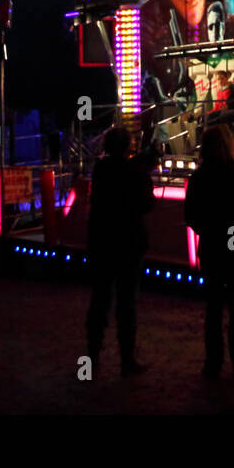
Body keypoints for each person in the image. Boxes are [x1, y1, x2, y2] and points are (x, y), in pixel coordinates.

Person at [85, 127, 156, 376]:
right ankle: (127, 360)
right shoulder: (132, 171)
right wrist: (144, 174)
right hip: (128, 243)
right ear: (127, 145)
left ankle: (92, 357)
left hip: (102, 241)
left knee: (100, 301)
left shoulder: (101, 169)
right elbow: (147, 203)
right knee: (126, 303)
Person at [184, 125, 234, 378]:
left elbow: (191, 217)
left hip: (210, 245)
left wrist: (208, 229)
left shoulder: (199, 177)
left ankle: (213, 363)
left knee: (214, 308)